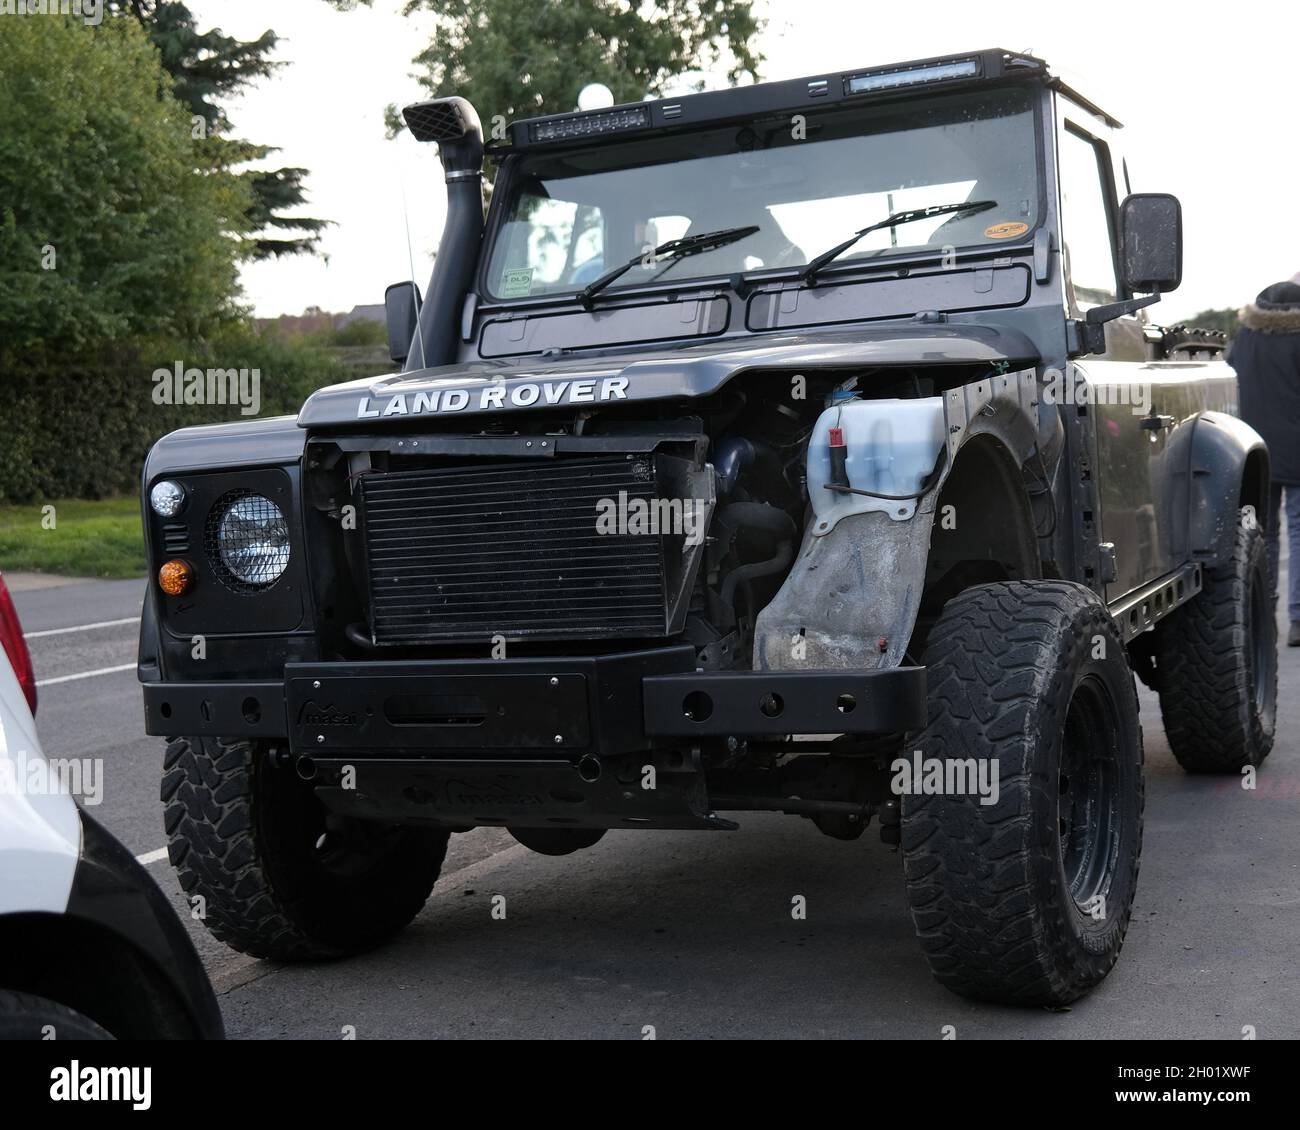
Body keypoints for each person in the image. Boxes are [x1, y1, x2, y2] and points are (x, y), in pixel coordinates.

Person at [1230, 279, 1300, 644]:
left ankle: (1266, 617)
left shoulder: (1245, 337)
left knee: (1264, 535)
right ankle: (1299, 618)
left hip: (1256, 448)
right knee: (1299, 531)